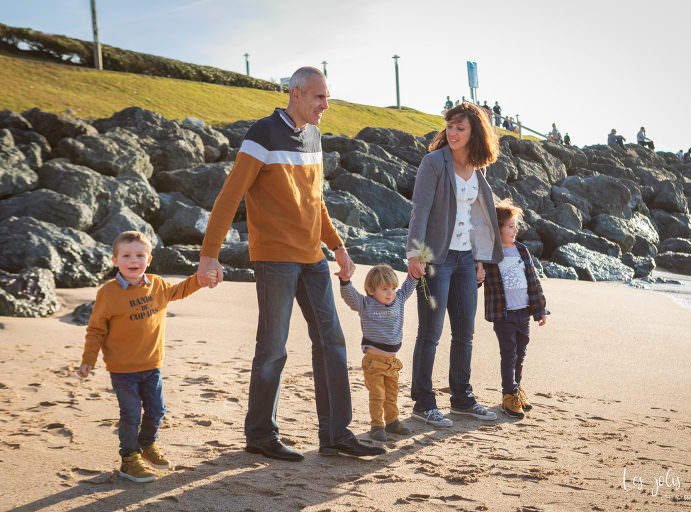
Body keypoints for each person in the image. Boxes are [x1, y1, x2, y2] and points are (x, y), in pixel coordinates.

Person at [196, 66, 384, 461]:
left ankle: (335, 434)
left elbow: (315, 202)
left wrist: (338, 246)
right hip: (274, 258)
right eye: (319, 97)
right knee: (273, 347)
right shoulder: (261, 134)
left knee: (331, 341)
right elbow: (229, 197)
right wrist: (209, 254)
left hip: (312, 257)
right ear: (295, 94)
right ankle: (261, 435)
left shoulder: (314, 136)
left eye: (327, 97)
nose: (326, 106)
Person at [77, 231, 205, 483]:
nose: (133, 260)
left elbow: (180, 290)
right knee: (131, 413)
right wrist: (88, 360)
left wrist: (200, 279)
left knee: (157, 410)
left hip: (152, 366)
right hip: (123, 370)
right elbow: (96, 329)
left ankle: (147, 444)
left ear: (148, 259)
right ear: (115, 260)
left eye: (139, 255)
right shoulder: (108, 293)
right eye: (126, 255)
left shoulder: (157, 285)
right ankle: (129, 459)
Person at [406, 102, 504, 427]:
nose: (453, 133)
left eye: (460, 128)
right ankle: (423, 402)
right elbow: (419, 209)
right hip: (436, 258)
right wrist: (414, 253)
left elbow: (476, 217)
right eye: (450, 126)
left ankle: (461, 397)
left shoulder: (478, 167)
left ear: (474, 132)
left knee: (465, 333)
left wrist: (479, 259)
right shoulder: (433, 163)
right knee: (430, 333)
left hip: (465, 259)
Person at [476, 200, 548, 418]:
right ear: (497, 229)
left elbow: (533, 281)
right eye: (510, 226)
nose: (515, 229)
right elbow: (477, 282)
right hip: (503, 314)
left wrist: (540, 310)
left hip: (523, 312)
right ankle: (508, 395)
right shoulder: (488, 254)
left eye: (515, 226)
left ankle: (516, 388)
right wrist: (477, 276)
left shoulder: (521, 250)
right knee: (509, 354)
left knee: (521, 354)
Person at [339, 264, 418, 441]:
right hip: (374, 362)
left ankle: (392, 421)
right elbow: (350, 296)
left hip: (392, 362)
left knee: (392, 393)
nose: (390, 293)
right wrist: (345, 281)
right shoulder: (366, 304)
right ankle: (376, 425)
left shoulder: (398, 300)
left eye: (392, 288)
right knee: (377, 395)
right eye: (384, 289)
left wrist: (415, 273)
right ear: (371, 290)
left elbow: (408, 286)